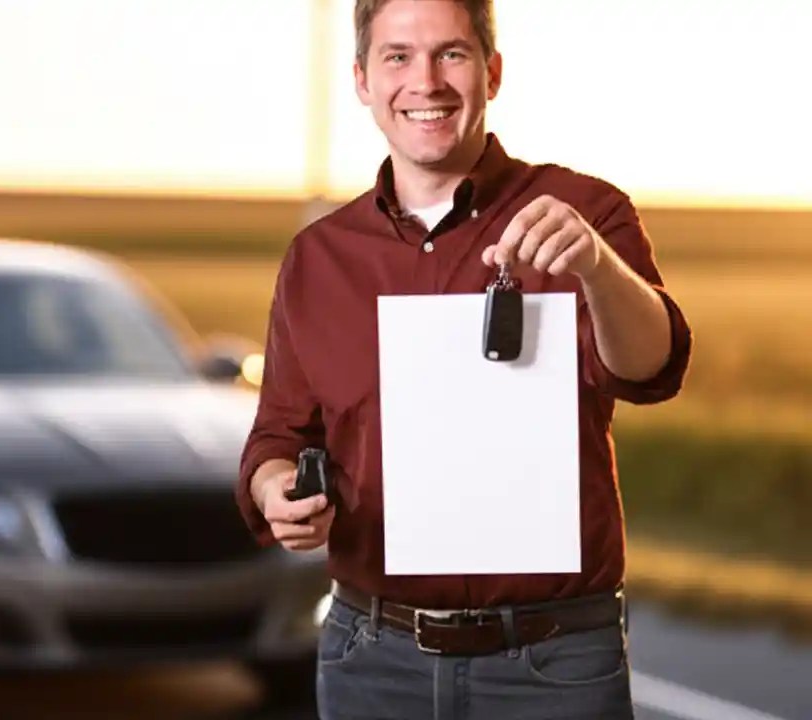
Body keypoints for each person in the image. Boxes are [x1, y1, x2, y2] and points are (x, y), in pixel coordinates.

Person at [234, 1, 693, 718]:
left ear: (492, 72)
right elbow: (278, 436)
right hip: (371, 657)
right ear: (362, 79)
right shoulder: (318, 259)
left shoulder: (582, 214)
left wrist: (597, 268)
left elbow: (652, 369)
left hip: (555, 661)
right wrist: (276, 492)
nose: (426, 81)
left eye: (451, 54)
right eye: (397, 57)